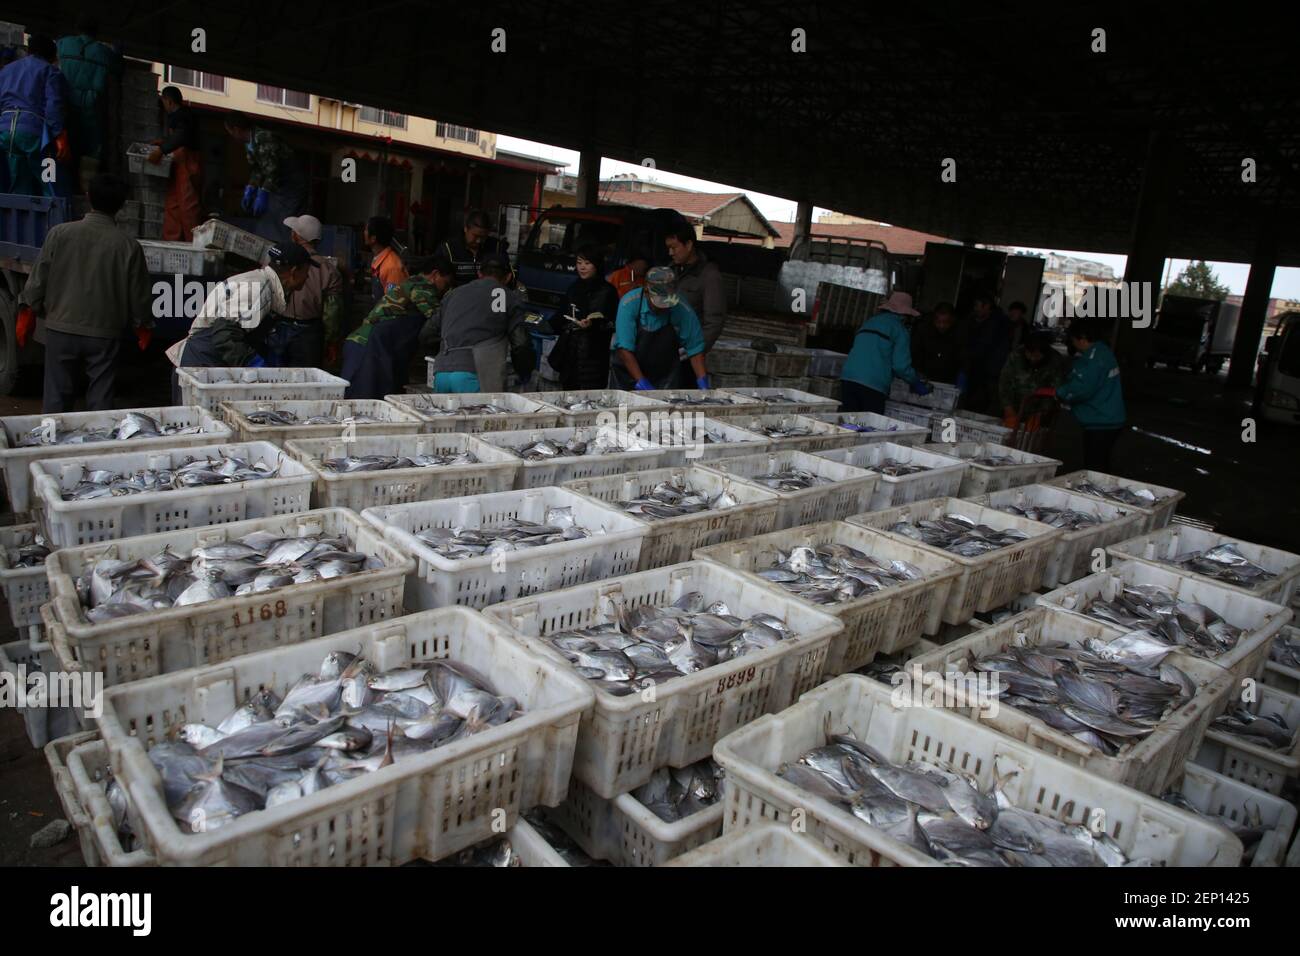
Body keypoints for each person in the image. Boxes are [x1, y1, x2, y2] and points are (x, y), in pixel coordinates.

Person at [17, 174, 151, 412]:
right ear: (121, 206)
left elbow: (38, 281)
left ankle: (53, 443)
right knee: (101, 400)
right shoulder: (129, 246)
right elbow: (138, 296)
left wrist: (27, 311)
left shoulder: (59, 234)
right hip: (104, 335)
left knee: (57, 397)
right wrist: (143, 326)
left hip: (60, 329)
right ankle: (96, 447)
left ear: (88, 198)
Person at [169, 242, 312, 370]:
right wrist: (255, 366)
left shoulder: (265, 285)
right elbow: (224, 335)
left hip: (211, 362)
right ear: (294, 272)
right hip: (200, 363)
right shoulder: (258, 289)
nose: (307, 277)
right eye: (306, 272)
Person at [422, 253, 535, 393]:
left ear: (479, 273)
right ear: (508, 277)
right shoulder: (509, 298)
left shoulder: (454, 294)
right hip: (475, 375)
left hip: (441, 375)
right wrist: (525, 372)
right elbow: (521, 344)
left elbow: (426, 334)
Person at [344, 256, 454, 398]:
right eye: (446, 283)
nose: (445, 289)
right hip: (367, 346)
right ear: (435, 274)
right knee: (363, 401)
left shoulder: (410, 283)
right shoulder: (422, 286)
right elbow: (437, 319)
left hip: (360, 343)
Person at [1037, 320, 1126, 470]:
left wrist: (1057, 392)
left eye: (1073, 339)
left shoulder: (1094, 359)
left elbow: (1082, 388)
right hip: (1107, 417)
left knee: (1095, 465)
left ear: (1082, 338)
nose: (1073, 343)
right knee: (1099, 462)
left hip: (1101, 421)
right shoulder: (1101, 352)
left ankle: (1094, 491)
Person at [263, 214, 344, 367]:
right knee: (304, 382)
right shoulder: (329, 270)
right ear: (318, 241)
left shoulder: (277, 260)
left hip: (277, 328)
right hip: (309, 335)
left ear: (295, 236)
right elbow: (332, 314)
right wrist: (332, 342)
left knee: (273, 376)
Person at [610, 267, 709, 391]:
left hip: (665, 375)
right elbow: (624, 349)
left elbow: (695, 348)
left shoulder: (680, 307)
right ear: (646, 292)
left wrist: (702, 381)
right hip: (628, 376)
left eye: (667, 303)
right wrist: (641, 381)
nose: (663, 308)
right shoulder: (629, 303)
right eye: (658, 303)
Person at [55, 16, 122, 191]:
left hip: (66, 105)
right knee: (93, 150)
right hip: (92, 106)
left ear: (77, 28)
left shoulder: (64, 44)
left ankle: (69, 187)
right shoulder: (104, 52)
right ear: (96, 32)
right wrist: (118, 50)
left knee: (68, 147)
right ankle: (89, 191)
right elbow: (119, 68)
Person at [839, 291, 931, 413]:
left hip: (848, 378)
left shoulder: (869, 322)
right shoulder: (900, 330)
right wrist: (915, 382)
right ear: (905, 315)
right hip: (873, 385)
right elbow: (900, 366)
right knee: (869, 427)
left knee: (848, 424)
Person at [0, 35, 67, 196]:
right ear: (52, 55)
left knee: (17, 183)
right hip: (33, 134)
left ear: (29, 50)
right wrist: (58, 134)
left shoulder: (6, 70)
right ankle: (55, 215)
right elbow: (53, 106)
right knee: (49, 178)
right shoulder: (50, 71)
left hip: (5, 133)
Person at [224, 112, 306, 242]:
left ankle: (283, 256)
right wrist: (250, 188)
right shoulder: (250, 143)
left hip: (291, 184)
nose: (231, 135)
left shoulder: (264, 138)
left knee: (284, 222)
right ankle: (268, 254)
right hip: (277, 185)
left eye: (230, 131)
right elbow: (257, 169)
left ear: (236, 129)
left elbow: (272, 169)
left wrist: (263, 193)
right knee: (266, 220)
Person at [546, 244, 618, 390]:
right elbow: (561, 315)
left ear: (596, 264)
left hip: (593, 358)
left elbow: (611, 323)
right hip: (571, 353)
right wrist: (542, 325)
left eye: (587, 263)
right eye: (579, 263)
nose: (582, 267)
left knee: (590, 398)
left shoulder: (608, 291)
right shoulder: (574, 288)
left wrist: (593, 325)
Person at [145, 86, 203, 241]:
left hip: (187, 163)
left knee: (187, 205)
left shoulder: (183, 115)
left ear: (169, 101)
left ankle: (193, 243)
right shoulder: (179, 116)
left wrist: (161, 150)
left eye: (163, 101)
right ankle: (172, 242)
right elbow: (178, 136)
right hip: (178, 164)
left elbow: (182, 136)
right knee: (173, 204)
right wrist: (164, 142)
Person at [998, 330, 1066, 429]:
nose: (1032, 359)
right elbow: (1004, 382)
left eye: (1036, 356)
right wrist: (1007, 407)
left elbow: (1055, 392)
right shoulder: (1016, 355)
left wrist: (1040, 414)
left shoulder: (1055, 361)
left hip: (1039, 412)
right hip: (1014, 407)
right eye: (1029, 354)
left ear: (1045, 353)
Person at [958, 292, 1010, 415]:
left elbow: (988, 347)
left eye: (977, 305)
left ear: (986, 306)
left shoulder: (999, 324)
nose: (975, 309)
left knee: (983, 402)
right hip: (973, 368)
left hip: (988, 371)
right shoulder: (972, 320)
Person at [438, 208, 507, 287]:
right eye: (475, 236)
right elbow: (439, 279)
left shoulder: (496, 248)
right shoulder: (448, 248)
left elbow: (507, 275)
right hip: (458, 295)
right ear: (466, 229)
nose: (479, 241)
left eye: (483, 237)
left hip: (488, 295)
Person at [910, 301, 963, 383]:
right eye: (938, 322)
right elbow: (915, 352)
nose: (941, 326)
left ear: (952, 320)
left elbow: (962, 355)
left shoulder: (958, 333)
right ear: (933, 319)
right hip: (924, 376)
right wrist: (917, 371)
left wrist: (962, 373)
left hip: (947, 379)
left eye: (945, 322)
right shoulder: (923, 330)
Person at [365, 215, 408, 304]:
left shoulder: (392, 267)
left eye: (366, 229)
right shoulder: (378, 259)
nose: (364, 232)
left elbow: (394, 305)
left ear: (373, 238)